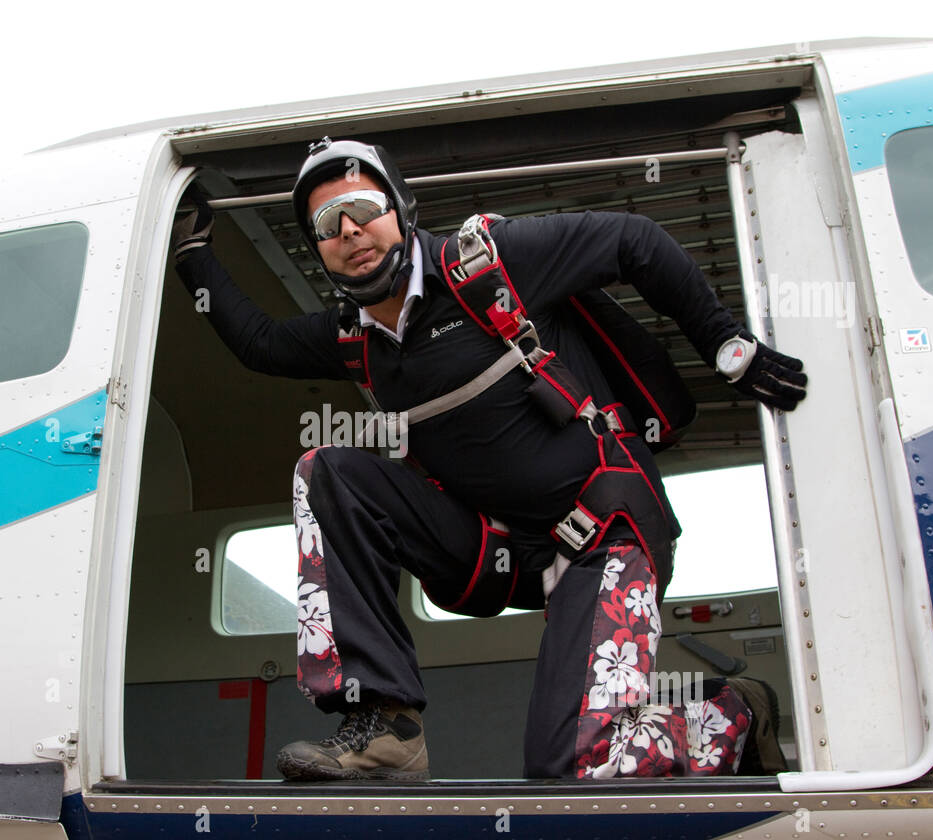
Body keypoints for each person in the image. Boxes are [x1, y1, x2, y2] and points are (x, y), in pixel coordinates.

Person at [172, 138, 805, 781]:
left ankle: (734, 713)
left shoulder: (485, 266)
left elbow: (634, 241)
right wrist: (192, 248)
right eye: (328, 224)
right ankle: (386, 731)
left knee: (573, 765)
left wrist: (729, 345)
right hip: (502, 553)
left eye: (364, 207)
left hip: (610, 532)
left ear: (401, 207)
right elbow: (257, 343)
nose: (351, 231)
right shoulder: (351, 339)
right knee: (327, 471)